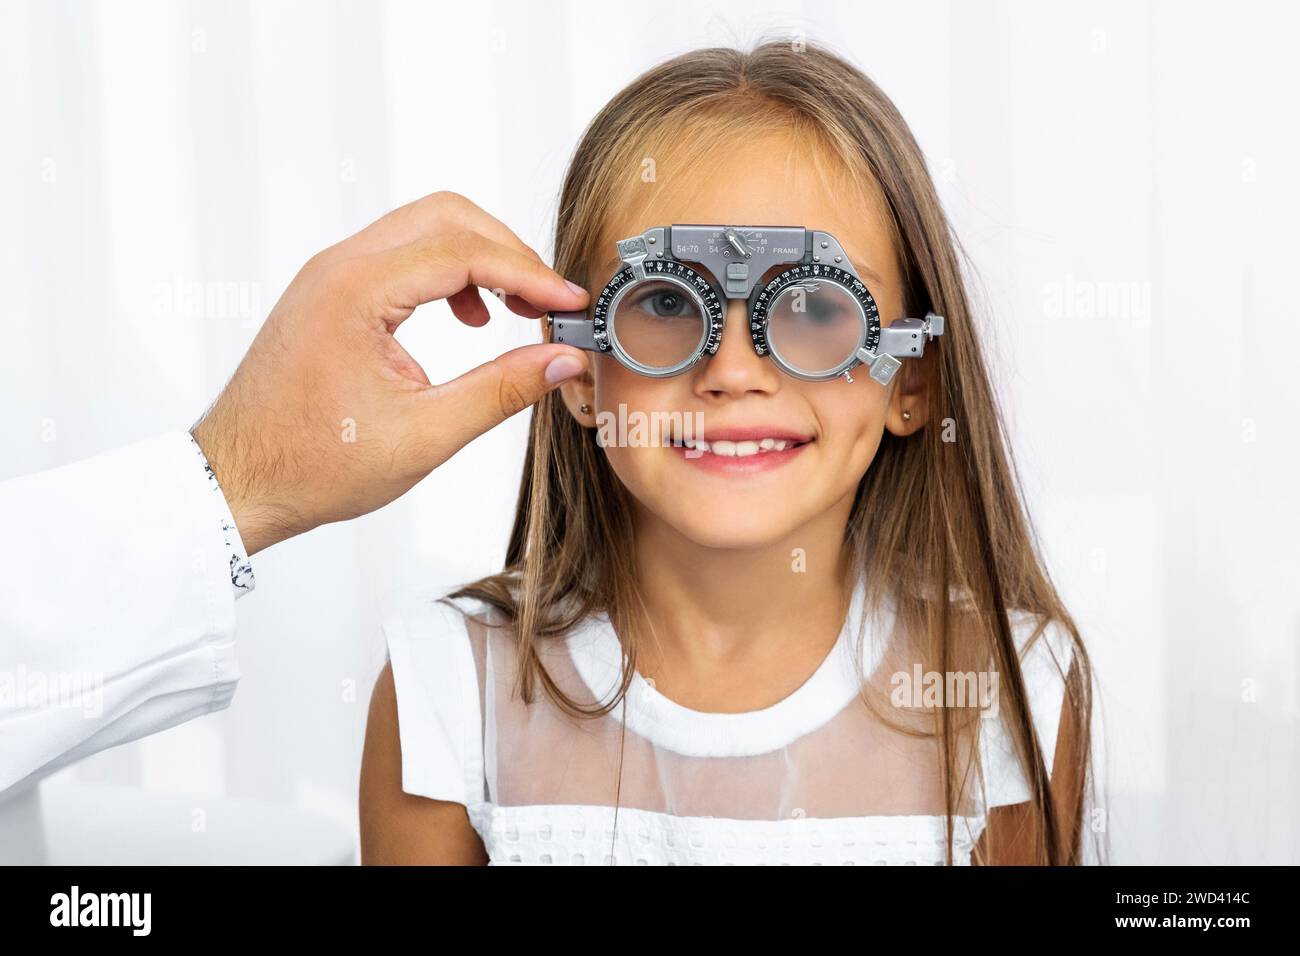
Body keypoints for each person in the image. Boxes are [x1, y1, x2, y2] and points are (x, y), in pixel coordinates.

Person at [359, 40, 1099, 866]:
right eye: (666, 300)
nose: (735, 371)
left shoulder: (1008, 683)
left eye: (815, 307)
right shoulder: (451, 690)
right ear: (578, 369)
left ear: (910, 380)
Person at [0, 191, 591, 798]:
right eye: (662, 300)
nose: (701, 378)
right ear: (580, 356)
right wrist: (233, 473)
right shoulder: (450, 684)